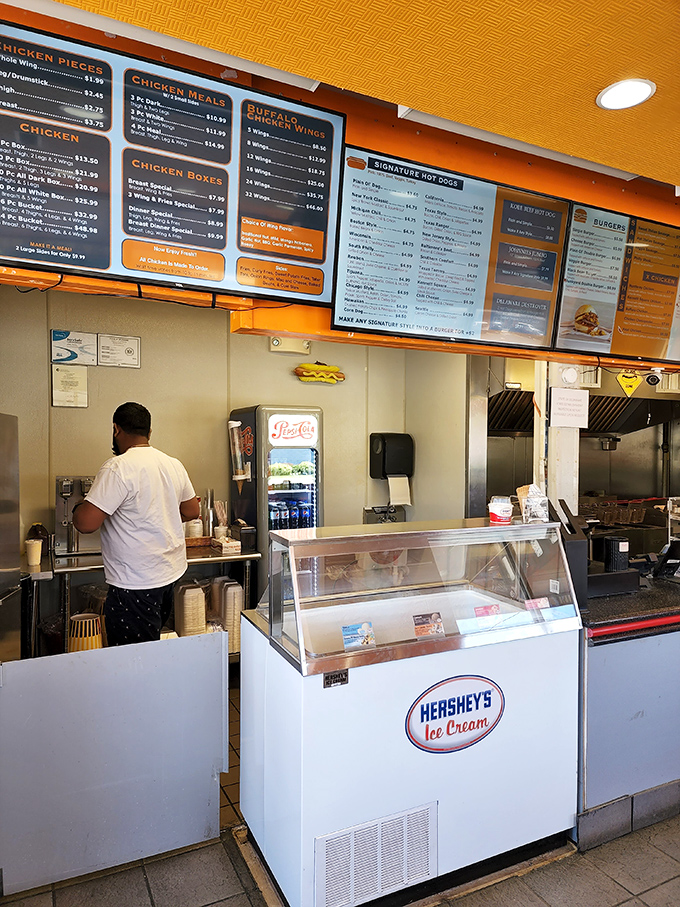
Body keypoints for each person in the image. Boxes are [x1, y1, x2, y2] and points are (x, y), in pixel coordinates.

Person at [73, 402, 200, 645]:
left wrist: (81, 505)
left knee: (132, 657)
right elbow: (192, 510)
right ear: (149, 433)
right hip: (168, 576)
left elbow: (86, 523)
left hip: (134, 583)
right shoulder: (173, 463)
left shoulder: (118, 467)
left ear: (116, 429)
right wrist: (162, 515)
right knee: (149, 646)